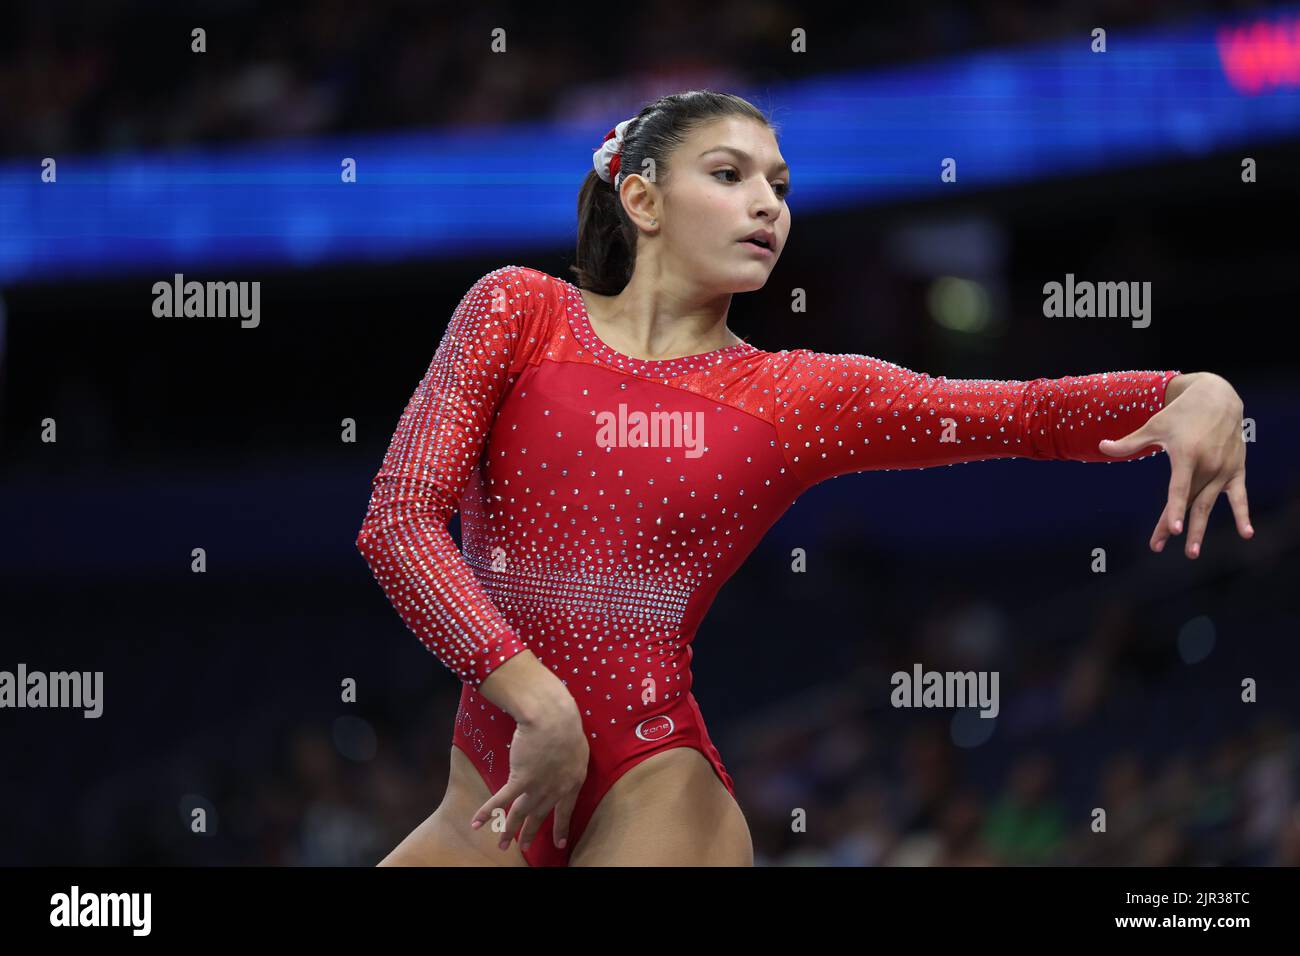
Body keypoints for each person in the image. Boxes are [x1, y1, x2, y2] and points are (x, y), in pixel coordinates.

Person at [355, 90, 1252, 866]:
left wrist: (1184, 389)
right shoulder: (518, 309)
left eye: (779, 187)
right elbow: (396, 521)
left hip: (650, 782)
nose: (768, 205)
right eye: (730, 175)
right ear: (641, 196)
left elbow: (1013, 410)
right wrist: (534, 697)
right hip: (486, 799)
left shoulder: (794, 395)